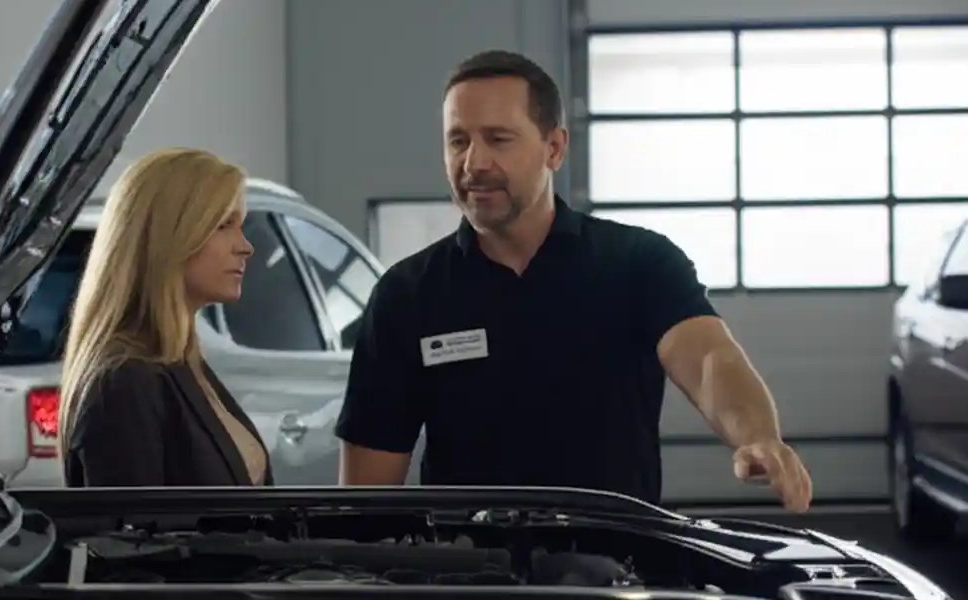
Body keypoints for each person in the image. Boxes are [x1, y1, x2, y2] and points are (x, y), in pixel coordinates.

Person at [334, 50, 812, 512]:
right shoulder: (408, 294)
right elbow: (368, 493)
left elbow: (708, 358)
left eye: (499, 139)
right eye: (458, 140)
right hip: (466, 575)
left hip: (618, 570)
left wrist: (757, 437)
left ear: (554, 148)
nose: (474, 162)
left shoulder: (637, 264)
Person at [57, 147, 271, 488]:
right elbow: (134, 535)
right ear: (168, 237)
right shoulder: (124, 381)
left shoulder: (178, 360)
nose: (245, 246)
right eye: (223, 226)